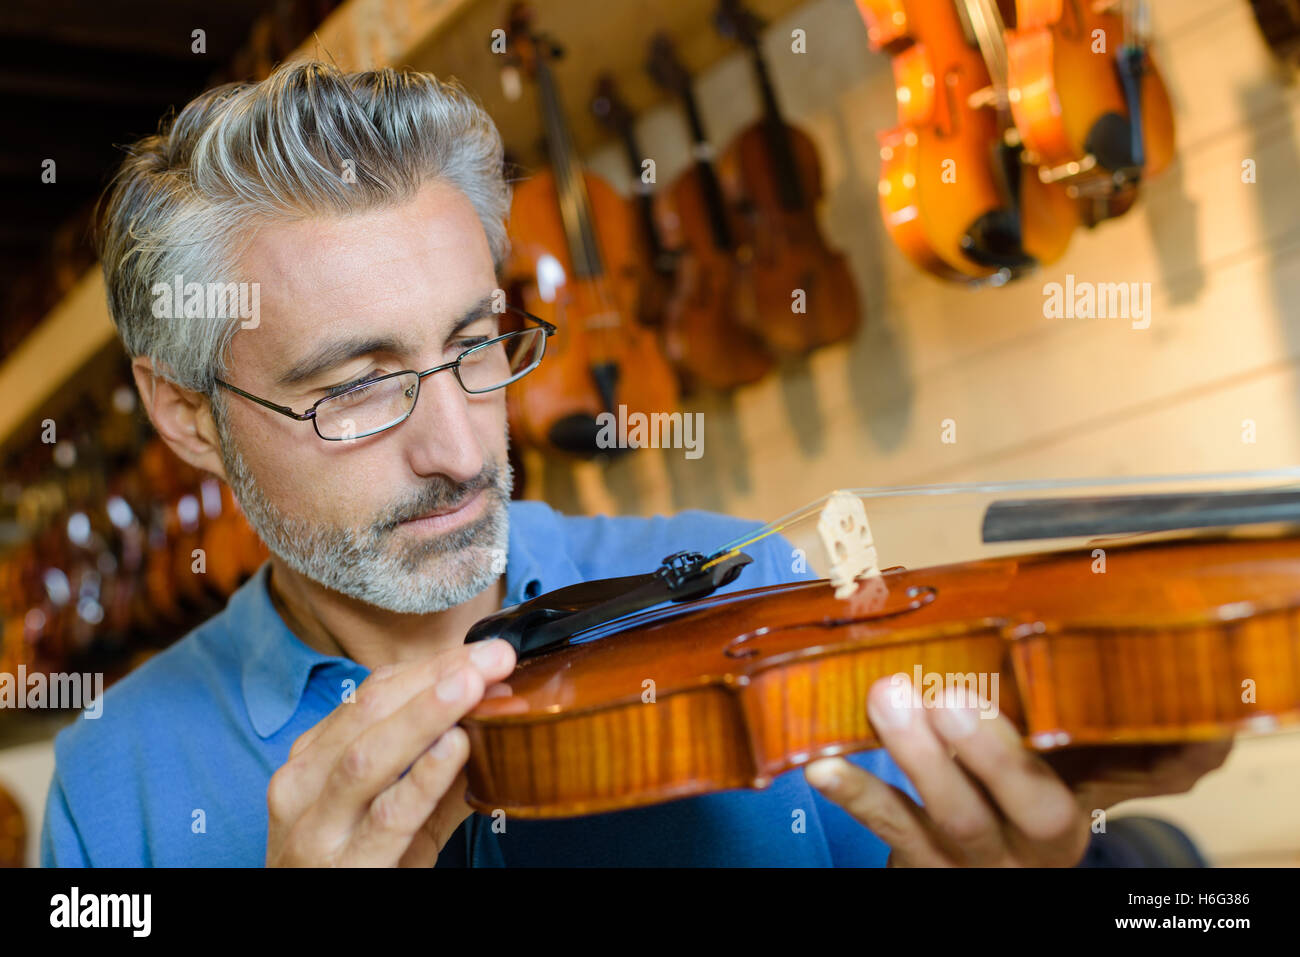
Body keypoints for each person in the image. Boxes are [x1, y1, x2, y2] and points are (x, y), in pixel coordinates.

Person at [41, 60, 1227, 867]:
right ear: (188, 412)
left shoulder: (740, 594)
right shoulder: (111, 791)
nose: (460, 452)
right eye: (353, 386)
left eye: (474, 348)